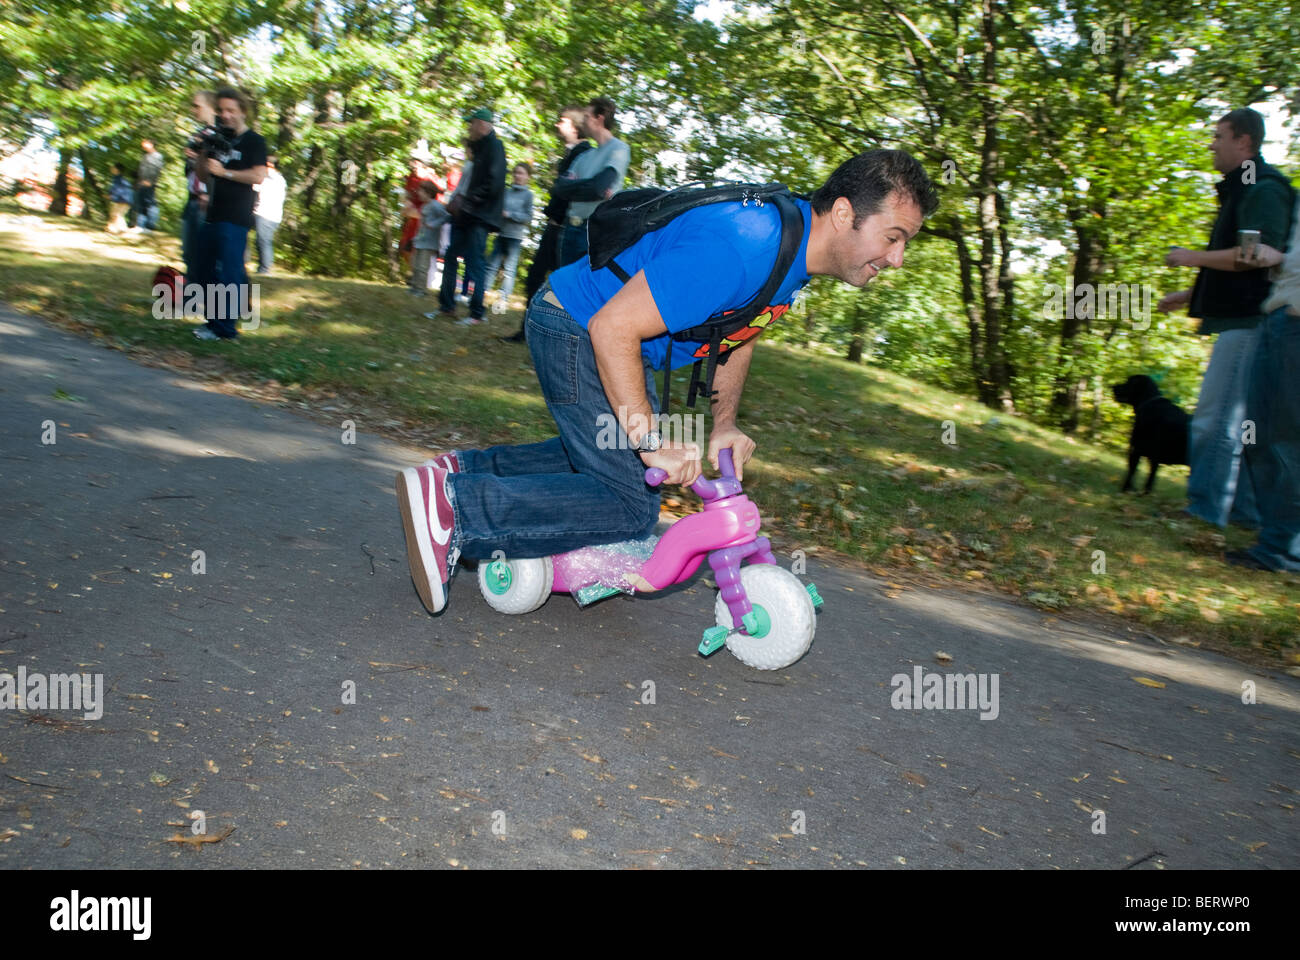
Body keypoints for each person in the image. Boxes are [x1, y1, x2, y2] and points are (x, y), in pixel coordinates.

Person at [395, 149, 939, 614]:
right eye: (893, 237)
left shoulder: (791, 257)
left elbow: (738, 333)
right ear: (844, 214)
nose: (896, 259)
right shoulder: (745, 245)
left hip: (602, 334)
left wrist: (722, 426)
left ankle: (460, 470)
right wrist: (650, 439)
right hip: (578, 326)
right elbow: (613, 327)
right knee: (629, 502)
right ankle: (457, 508)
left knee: (607, 454)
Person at [1159, 107, 1296, 528]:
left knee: (1217, 420)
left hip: (1250, 321)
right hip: (1244, 317)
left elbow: (1256, 256)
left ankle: (1205, 512)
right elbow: (1247, 264)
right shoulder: (1245, 187)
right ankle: (1244, 516)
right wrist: (1189, 296)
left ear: (1244, 141)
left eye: (1219, 136)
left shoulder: (1263, 188)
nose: (1212, 144)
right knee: (1247, 426)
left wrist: (1190, 258)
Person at [1224, 201, 1300, 572]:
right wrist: (1276, 260)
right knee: (1258, 436)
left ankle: (1283, 549)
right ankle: (1276, 539)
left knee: (1288, 440)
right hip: (1278, 316)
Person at [502, 105, 591, 343]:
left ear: (574, 126)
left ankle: (555, 334)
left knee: (561, 284)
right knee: (536, 277)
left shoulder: (584, 153)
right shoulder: (572, 153)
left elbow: (574, 190)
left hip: (566, 229)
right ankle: (530, 330)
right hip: (556, 227)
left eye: (562, 121)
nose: (557, 125)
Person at [190, 87, 268, 341]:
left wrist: (226, 173)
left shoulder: (254, 141)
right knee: (201, 270)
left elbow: (259, 175)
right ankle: (213, 323)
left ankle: (225, 330)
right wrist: (203, 152)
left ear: (243, 111)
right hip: (212, 213)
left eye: (231, 110)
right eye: (221, 110)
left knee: (229, 274)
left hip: (236, 217)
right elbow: (202, 175)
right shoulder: (218, 138)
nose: (226, 115)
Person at [439, 109, 505, 325]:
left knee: (475, 262)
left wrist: (470, 201)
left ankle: (477, 314)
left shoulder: (495, 147)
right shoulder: (479, 150)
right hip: (467, 215)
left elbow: (494, 184)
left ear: (482, 124)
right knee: (450, 256)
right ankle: (447, 307)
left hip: (479, 216)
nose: (469, 128)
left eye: (471, 124)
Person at [550, 97, 631, 268]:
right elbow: (560, 188)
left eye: (587, 116)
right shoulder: (583, 157)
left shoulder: (619, 149)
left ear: (599, 118)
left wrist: (579, 188)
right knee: (563, 285)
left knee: (584, 287)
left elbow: (598, 188)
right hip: (570, 228)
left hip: (594, 231)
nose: (583, 121)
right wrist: (590, 187)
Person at [484, 163, 535, 312]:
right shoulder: (506, 192)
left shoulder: (528, 195)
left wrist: (511, 215)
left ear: (527, 177)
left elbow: (528, 216)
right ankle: (483, 292)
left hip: (515, 237)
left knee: (509, 269)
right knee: (491, 264)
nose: (518, 176)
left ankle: (503, 297)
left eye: (522, 173)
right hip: (501, 233)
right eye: (516, 173)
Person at [181, 91, 218, 274]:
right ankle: (192, 299)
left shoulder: (221, 137)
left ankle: (210, 300)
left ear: (210, 107)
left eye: (197, 106)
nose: (193, 109)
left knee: (206, 255)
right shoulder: (198, 135)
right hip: (192, 199)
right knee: (189, 254)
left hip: (207, 202)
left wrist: (207, 192)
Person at [409, 182, 449, 295]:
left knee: (422, 267)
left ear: (428, 193)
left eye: (421, 191)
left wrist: (433, 224)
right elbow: (421, 225)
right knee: (415, 265)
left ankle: (421, 290)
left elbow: (446, 217)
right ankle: (415, 287)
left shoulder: (436, 205)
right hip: (420, 241)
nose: (419, 194)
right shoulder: (424, 206)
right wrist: (415, 238)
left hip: (429, 243)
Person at [252, 155, 285, 275]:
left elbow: (255, 191)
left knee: (263, 240)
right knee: (263, 240)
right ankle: (263, 267)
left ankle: (265, 269)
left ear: (269, 165)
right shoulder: (280, 179)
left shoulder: (266, 178)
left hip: (265, 214)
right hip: (272, 215)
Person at [131, 139, 165, 231]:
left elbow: (157, 169)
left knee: (150, 204)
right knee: (141, 203)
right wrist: (139, 181)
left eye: (145, 144)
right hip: (141, 183)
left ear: (151, 144)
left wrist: (151, 181)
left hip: (150, 183)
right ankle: (141, 226)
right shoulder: (145, 156)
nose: (143, 146)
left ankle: (150, 226)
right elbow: (141, 170)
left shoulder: (157, 156)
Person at [106, 163, 133, 233]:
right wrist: (110, 194)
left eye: (113, 167)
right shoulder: (118, 178)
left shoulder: (119, 179)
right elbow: (114, 188)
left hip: (124, 199)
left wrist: (112, 195)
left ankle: (122, 229)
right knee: (114, 214)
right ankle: (112, 228)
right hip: (123, 199)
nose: (111, 169)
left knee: (117, 214)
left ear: (117, 170)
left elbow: (117, 189)